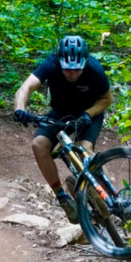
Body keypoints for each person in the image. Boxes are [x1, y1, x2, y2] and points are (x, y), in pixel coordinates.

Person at [13, 35, 114, 224]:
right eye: (67, 69)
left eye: (76, 69)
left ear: (84, 63)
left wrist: (88, 114)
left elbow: (107, 99)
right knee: (39, 144)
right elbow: (25, 87)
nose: (71, 74)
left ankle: (108, 195)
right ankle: (62, 197)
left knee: (84, 149)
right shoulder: (51, 64)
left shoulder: (94, 69)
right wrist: (20, 109)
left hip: (89, 112)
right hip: (61, 112)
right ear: (59, 61)